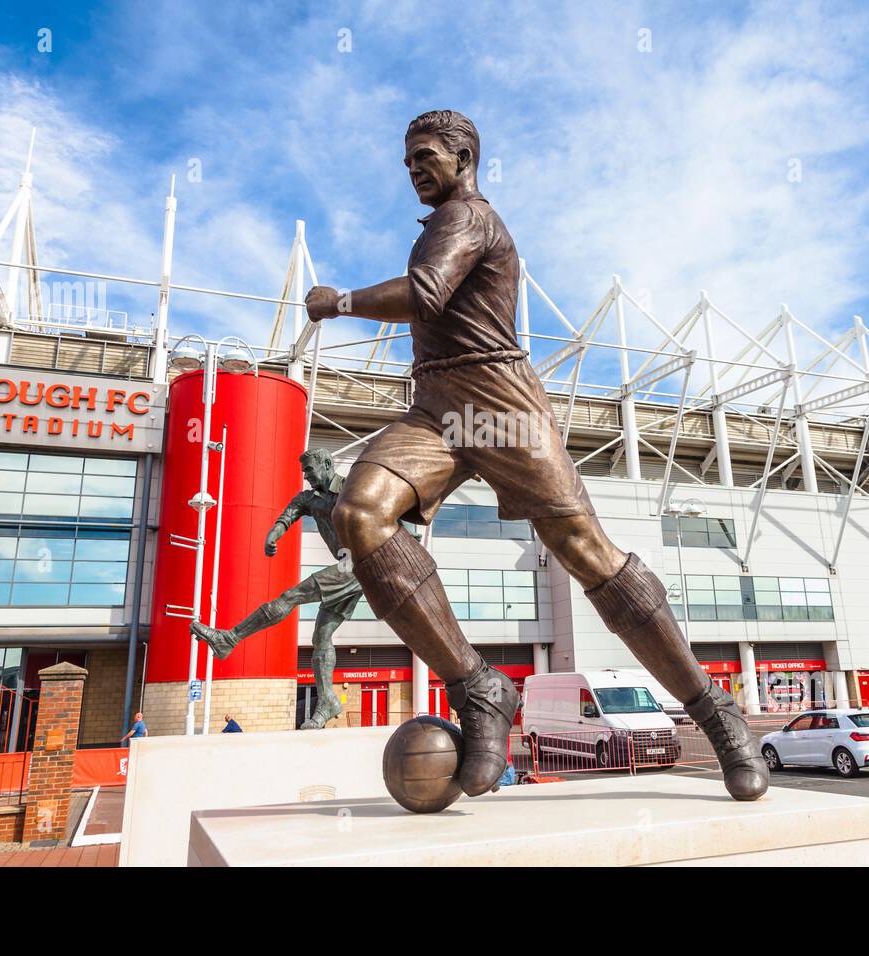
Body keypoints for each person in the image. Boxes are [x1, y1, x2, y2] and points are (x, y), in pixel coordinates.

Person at [304, 110, 769, 801]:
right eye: (405, 162)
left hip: (499, 403)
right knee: (360, 513)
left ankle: (715, 712)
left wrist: (339, 300)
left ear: (464, 156)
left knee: (585, 550)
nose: (413, 171)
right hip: (436, 407)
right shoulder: (440, 221)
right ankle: (479, 688)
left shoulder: (467, 218)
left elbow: (427, 295)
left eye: (425, 156)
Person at [191, 449, 359, 729]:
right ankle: (328, 699)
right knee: (321, 636)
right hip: (346, 565)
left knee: (290, 596)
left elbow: (386, 504)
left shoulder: (352, 487)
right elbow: (288, 516)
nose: (306, 475)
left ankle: (230, 638)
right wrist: (273, 534)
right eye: (303, 471)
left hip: (358, 561)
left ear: (328, 464)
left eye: (309, 469)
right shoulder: (309, 499)